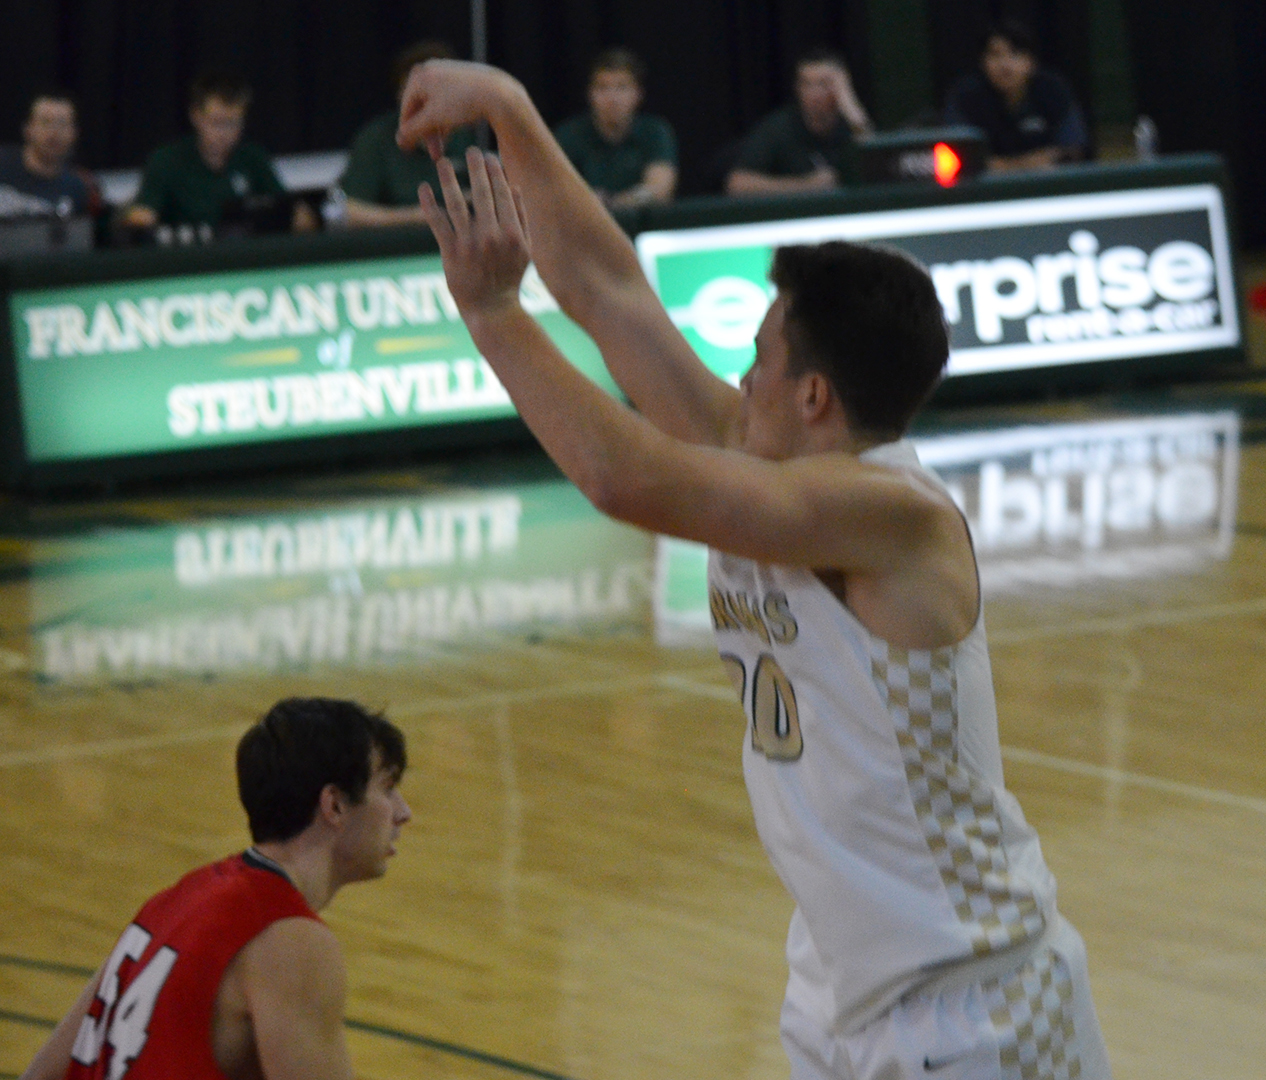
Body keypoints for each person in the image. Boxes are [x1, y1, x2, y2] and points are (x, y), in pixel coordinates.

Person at [397, 59, 1112, 1080]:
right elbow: (608, 293)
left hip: (973, 1004)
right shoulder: (764, 456)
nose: (740, 374)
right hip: (836, 989)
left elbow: (622, 475)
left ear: (815, 396)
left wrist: (494, 315)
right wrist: (512, 115)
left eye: (761, 355)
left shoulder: (895, 517)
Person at [17, 697, 410, 1080]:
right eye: (387, 787)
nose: (403, 812)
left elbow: (40, 1073)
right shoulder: (291, 942)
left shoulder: (175, 901)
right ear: (334, 805)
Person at [121, 72, 316, 234]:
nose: (224, 133)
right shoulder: (167, 160)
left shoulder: (252, 158)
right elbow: (140, 218)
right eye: (216, 123)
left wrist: (298, 217)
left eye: (232, 124)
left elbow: (288, 210)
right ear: (195, 116)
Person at [337, 41, 478, 228]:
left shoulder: (463, 135)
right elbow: (350, 211)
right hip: (397, 246)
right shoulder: (376, 139)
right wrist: (420, 216)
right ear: (402, 93)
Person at [943, 20, 1088, 172]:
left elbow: (1073, 149)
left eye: (1015, 54)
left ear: (1031, 62)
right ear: (983, 62)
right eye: (995, 55)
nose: (1004, 64)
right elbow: (957, 157)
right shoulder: (966, 96)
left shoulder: (1053, 90)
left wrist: (1002, 166)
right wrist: (1028, 164)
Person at [726, 49, 872, 195]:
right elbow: (737, 184)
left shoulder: (851, 125)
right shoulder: (780, 127)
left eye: (823, 84)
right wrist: (806, 185)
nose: (814, 94)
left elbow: (876, 167)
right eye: (807, 84)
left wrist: (851, 109)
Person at [554, 48, 678, 208]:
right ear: (590, 93)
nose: (612, 98)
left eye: (622, 87)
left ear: (638, 94)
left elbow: (660, 189)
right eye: (603, 88)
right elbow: (556, 190)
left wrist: (612, 202)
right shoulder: (568, 135)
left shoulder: (655, 131)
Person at [0, 90, 100, 222]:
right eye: (46, 123)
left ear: (74, 133)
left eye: (62, 124)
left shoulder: (76, 187)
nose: (54, 133)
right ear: (28, 129)